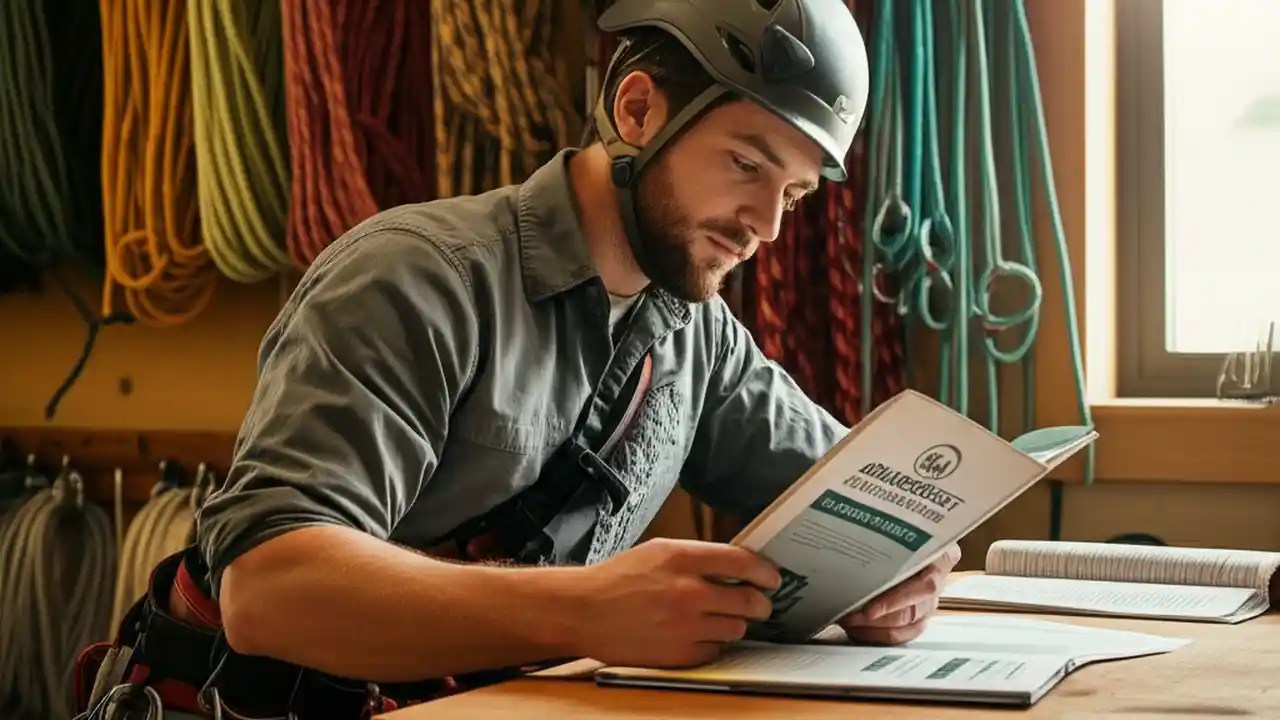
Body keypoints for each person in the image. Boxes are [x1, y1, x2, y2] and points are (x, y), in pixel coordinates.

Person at [149, 0, 959, 713]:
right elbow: (269, 591)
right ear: (637, 109)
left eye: (793, 193)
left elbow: (861, 500)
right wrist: (586, 609)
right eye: (745, 164)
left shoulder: (697, 336)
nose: (766, 226)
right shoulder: (416, 277)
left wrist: (899, 566)